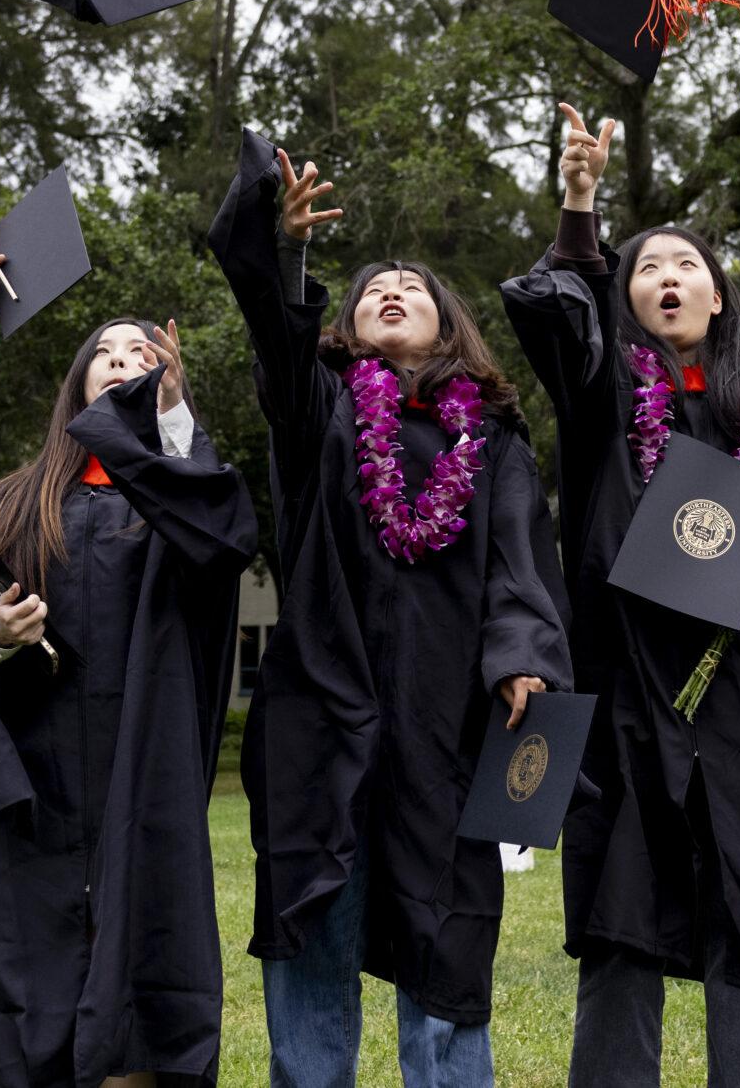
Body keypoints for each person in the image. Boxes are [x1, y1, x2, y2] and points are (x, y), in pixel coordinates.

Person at [500, 108, 740, 1088]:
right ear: (627, 298)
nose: (666, 277)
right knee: (622, 933)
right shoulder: (606, 397)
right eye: (645, 268)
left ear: (717, 289)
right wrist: (580, 206)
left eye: (685, 264)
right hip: (630, 700)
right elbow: (556, 313)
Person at [209, 131, 571, 1088]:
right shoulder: (319, 407)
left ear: (449, 322)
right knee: (313, 929)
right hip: (321, 715)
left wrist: (522, 653)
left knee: (446, 940)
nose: (391, 291)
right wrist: (284, 254)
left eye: (412, 285)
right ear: (350, 327)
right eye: (373, 289)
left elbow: (521, 568)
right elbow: (276, 337)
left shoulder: (493, 442)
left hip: (443, 723)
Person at [0, 316, 256, 1088]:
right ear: (76, 387)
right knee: (30, 979)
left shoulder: (184, 501)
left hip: (148, 775)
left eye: (140, 352)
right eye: (103, 354)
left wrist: (174, 413)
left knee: (147, 976)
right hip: (37, 786)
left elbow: (220, 544)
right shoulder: (12, 503)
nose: (120, 362)